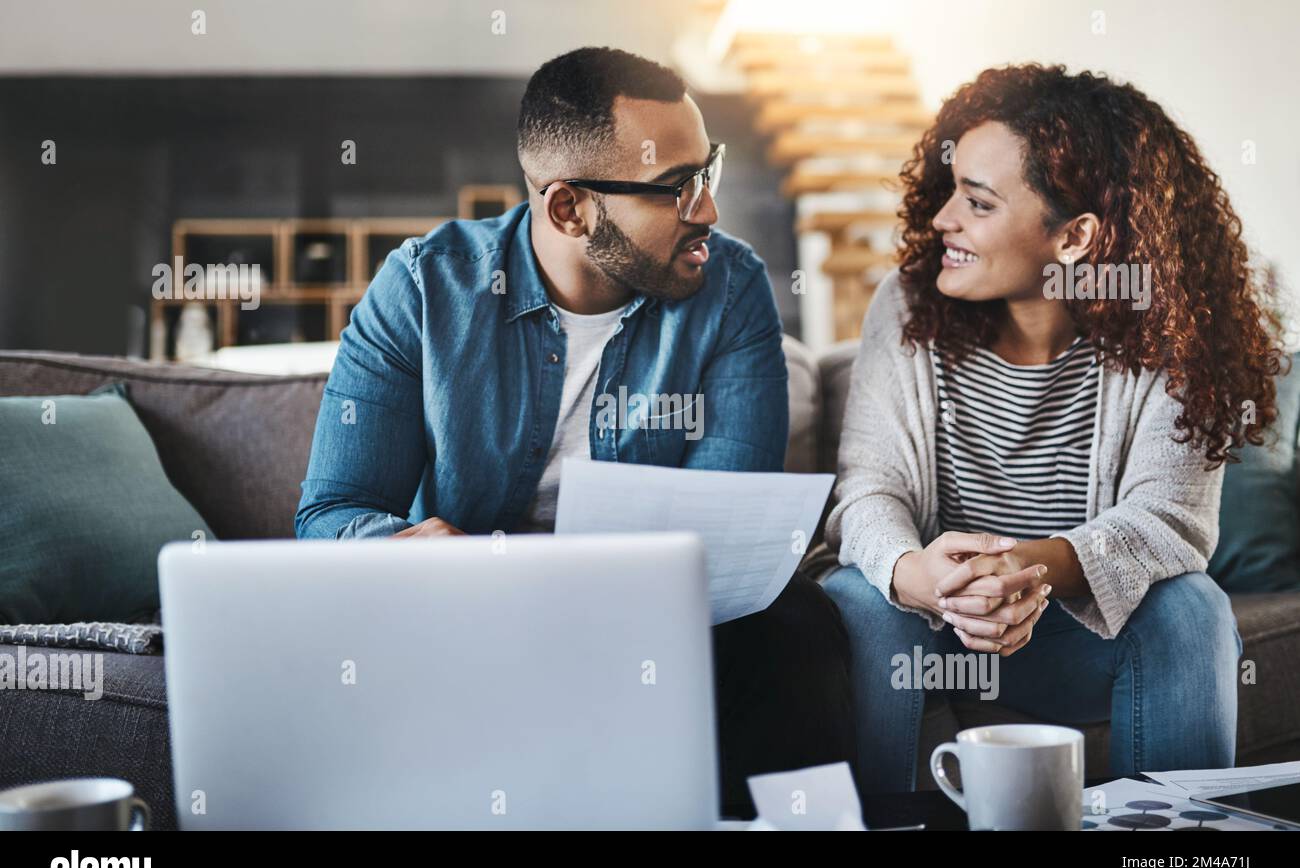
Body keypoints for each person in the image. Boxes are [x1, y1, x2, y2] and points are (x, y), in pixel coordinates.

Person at [296, 46, 855, 818]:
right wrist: (400, 549)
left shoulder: (730, 287)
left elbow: (726, 523)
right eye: (674, 188)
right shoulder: (423, 289)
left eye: (709, 172)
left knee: (797, 626)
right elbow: (331, 514)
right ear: (568, 208)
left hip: (659, 613)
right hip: (474, 608)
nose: (708, 211)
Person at [819, 63, 1286, 793]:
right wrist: (923, 579)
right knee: (858, 596)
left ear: (1074, 237)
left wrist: (1021, 571)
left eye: (976, 203)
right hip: (938, 636)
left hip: (1085, 644)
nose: (943, 220)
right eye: (950, 194)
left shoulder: (1174, 329)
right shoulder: (907, 306)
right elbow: (870, 488)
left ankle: (1170, 859)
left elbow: (1168, 523)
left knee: (1191, 608)